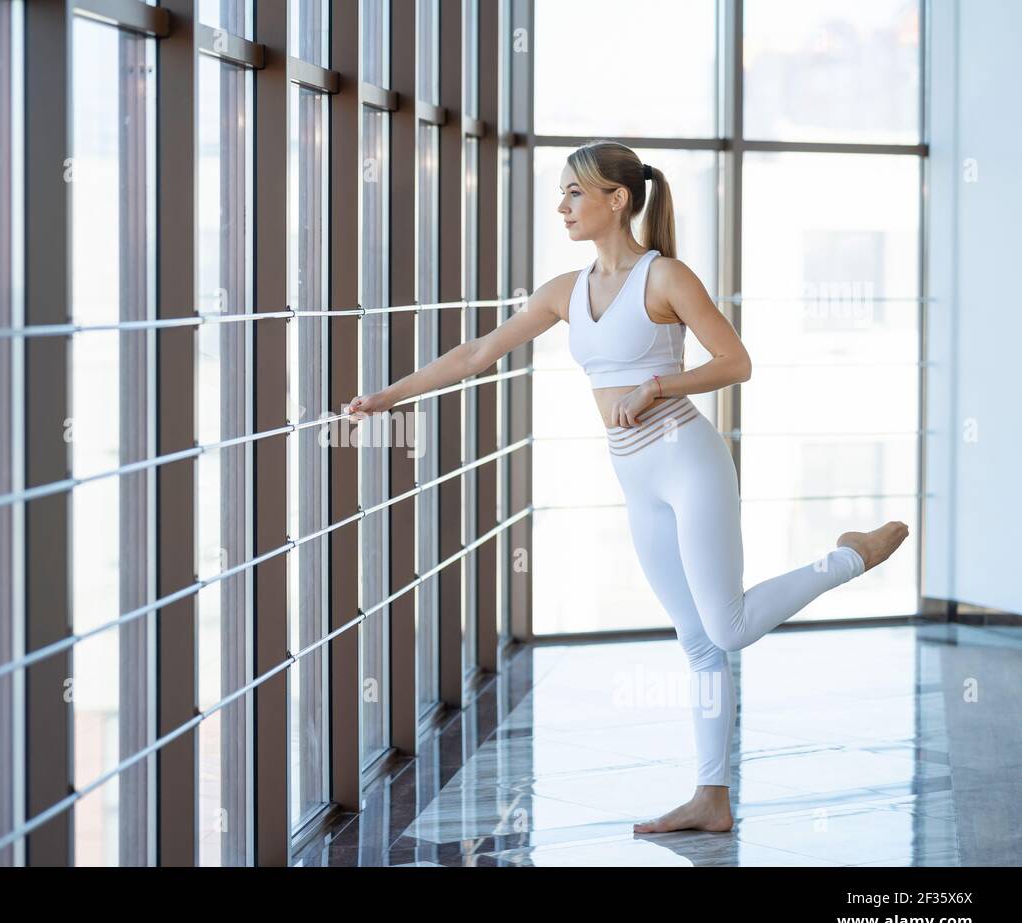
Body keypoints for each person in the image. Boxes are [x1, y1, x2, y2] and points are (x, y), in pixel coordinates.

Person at [346, 138, 908, 834]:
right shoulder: (564, 293)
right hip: (634, 474)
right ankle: (712, 797)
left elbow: (736, 362)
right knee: (697, 641)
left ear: (617, 199)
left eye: (574, 193)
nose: (562, 206)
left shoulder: (665, 277)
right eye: (562, 193)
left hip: (687, 459)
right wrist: (389, 397)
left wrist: (656, 386)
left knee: (726, 630)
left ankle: (849, 556)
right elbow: (477, 352)